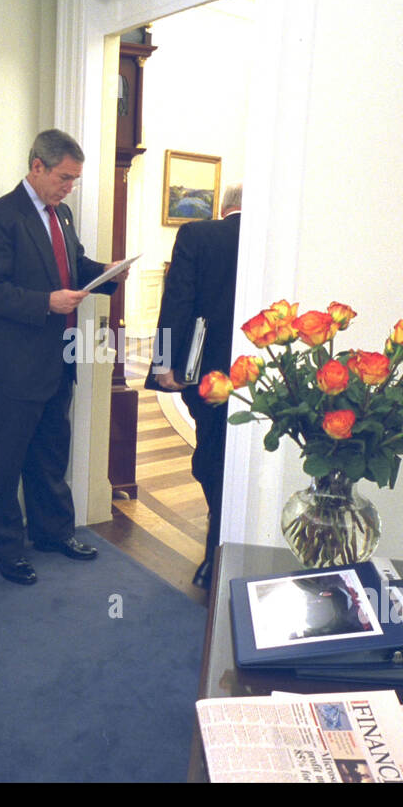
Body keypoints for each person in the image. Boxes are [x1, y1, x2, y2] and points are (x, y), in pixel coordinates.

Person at [0, 129, 125, 585]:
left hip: (61, 360)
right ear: (37, 166)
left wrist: (110, 274)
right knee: (9, 461)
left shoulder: (64, 216)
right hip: (16, 366)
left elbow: (73, 266)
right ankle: (9, 551)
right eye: (64, 178)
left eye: (74, 180)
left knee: (51, 454)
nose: (69, 187)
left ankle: (53, 532)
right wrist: (45, 303)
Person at [147, 183, 242, 589]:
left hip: (208, 374)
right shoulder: (277, 241)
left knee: (212, 459)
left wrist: (164, 362)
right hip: (270, 376)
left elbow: (177, 301)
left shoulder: (199, 235)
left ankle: (215, 554)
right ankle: (229, 545)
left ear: (225, 208)